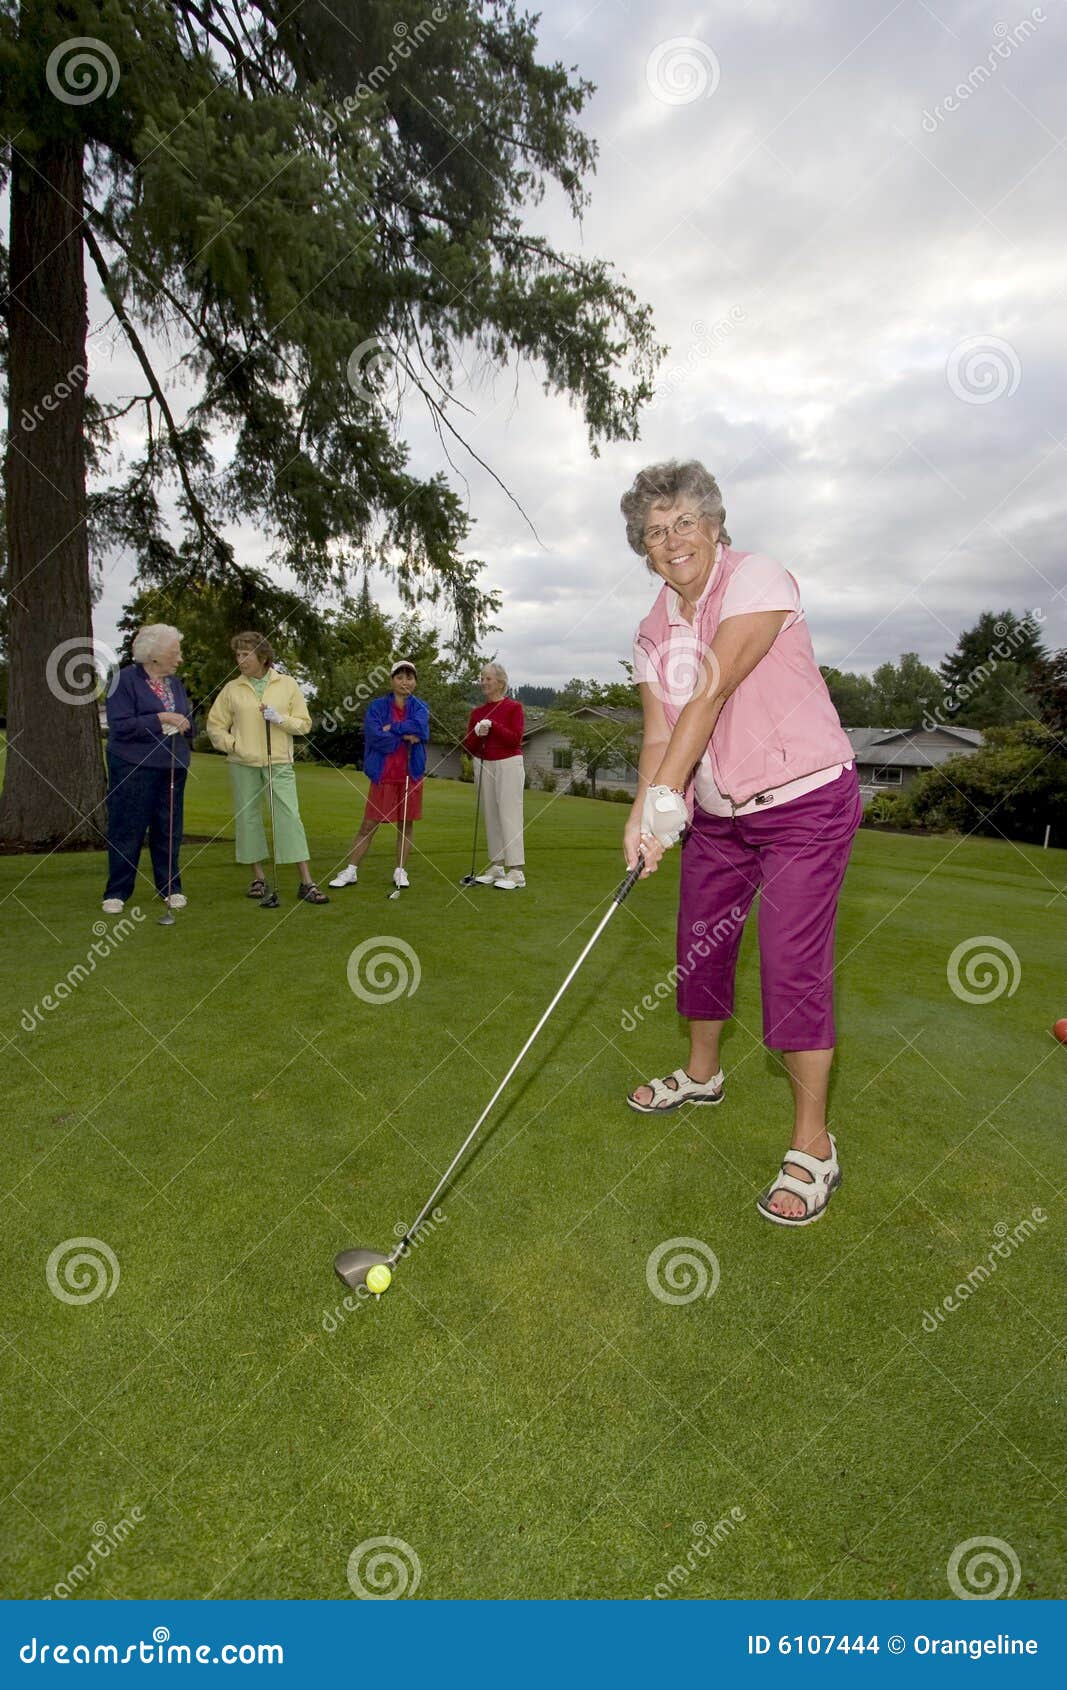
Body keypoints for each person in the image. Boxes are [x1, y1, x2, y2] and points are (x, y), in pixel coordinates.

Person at [621, 459, 862, 1228]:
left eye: (684, 522)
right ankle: (701, 1074)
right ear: (644, 548)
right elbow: (660, 728)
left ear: (714, 525)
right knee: (699, 945)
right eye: (654, 532)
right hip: (719, 813)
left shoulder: (756, 578)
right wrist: (644, 812)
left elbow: (713, 686)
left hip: (805, 800)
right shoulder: (652, 630)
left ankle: (812, 1145)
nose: (671, 540)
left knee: (791, 964)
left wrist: (666, 789)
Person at [206, 631, 329, 903]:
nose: (240, 660)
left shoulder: (286, 684)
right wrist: (233, 744)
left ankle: (306, 882)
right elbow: (215, 727)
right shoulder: (232, 689)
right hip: (243, 762)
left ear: (263, 656)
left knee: (290, 818)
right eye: (237, 655)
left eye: (246, 654)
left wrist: (280, 719)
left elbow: (303, 723)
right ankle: (258, 878)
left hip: (279, 761)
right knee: (248, 818)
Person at [102, 624, 194, 914]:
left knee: (169, 828)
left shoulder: (175, 685)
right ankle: (117, 892)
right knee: (127, 827)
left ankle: (170, 888)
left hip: (172, 766)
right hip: (132, 765)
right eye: (174, 653)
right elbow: (120, 725)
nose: (179, 660)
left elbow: (188, 720)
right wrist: (161, 717)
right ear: (153, 655)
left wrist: (184, 723)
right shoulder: (123, 680)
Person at [329, 661, 429, 892]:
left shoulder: (421, 707)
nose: (405, 682)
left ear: (415, 681)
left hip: (409, 774)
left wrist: (391, 727)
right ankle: (351, 870)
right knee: (369, 824)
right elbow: (375, 737)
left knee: (406, 824)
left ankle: (400, 870)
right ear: (392, 680)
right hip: (384, 774)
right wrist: (404, 733)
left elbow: (422, 731)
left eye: (409, 677)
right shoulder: (376, 706)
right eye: (400, 677)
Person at [464, 662, 526, 889]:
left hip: (508, 763)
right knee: (491, 815)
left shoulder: (513, 707)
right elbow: (468, 746)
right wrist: (478, 733)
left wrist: (494, 726)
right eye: (482, 678)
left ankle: (516, 872)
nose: (483, 682)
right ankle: (497, 866)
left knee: (509, 815)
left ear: (501, 681)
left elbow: (515, 739)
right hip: (483, 764)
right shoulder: (476, 713)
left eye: (488, 678)